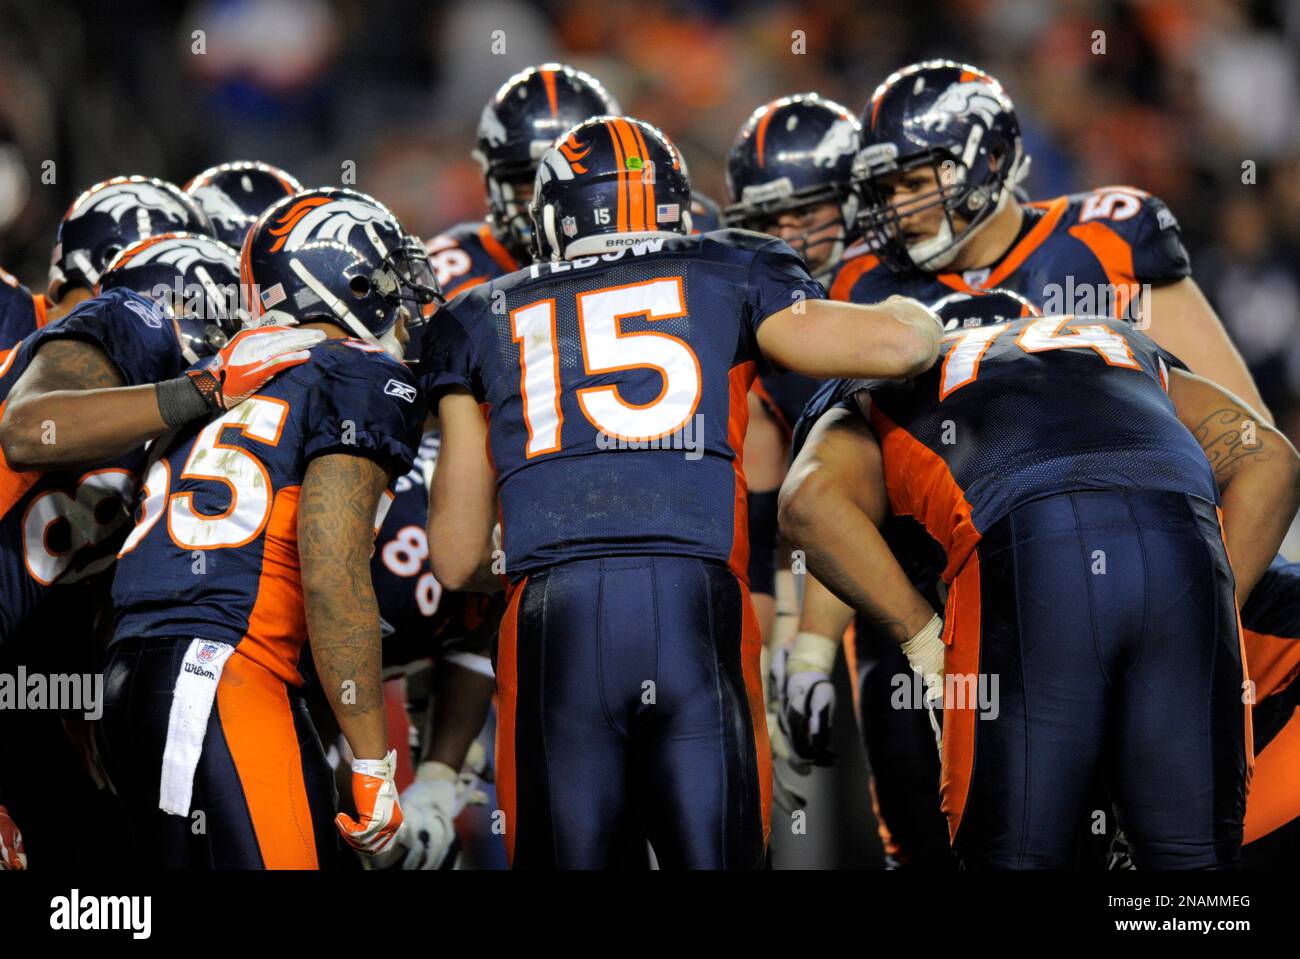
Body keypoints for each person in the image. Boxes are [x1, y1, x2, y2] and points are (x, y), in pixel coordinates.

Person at [421, 114, 944, 868]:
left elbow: (457, 554)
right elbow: (900, 347)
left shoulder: (477, 314)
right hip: (694, 608)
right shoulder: (733, 268)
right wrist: (912, 312)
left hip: (550, 621)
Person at [780, 289, 1300, 867]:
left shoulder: (883, 376)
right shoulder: (1112, 340)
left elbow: (808, 503)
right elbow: (1272, 459)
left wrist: (925, 643)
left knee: (1014, 854)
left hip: (1028, 547)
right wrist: (1210, 607)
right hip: (1180, 537)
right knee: (1190, 878)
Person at [98, 188, 436, 868]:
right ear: (350, 281)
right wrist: (372, 759)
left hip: (131, 676)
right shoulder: (357, 371)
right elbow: (333, 566)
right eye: (391, 275)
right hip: (224, 673)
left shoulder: (220, 377)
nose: (407, 298)